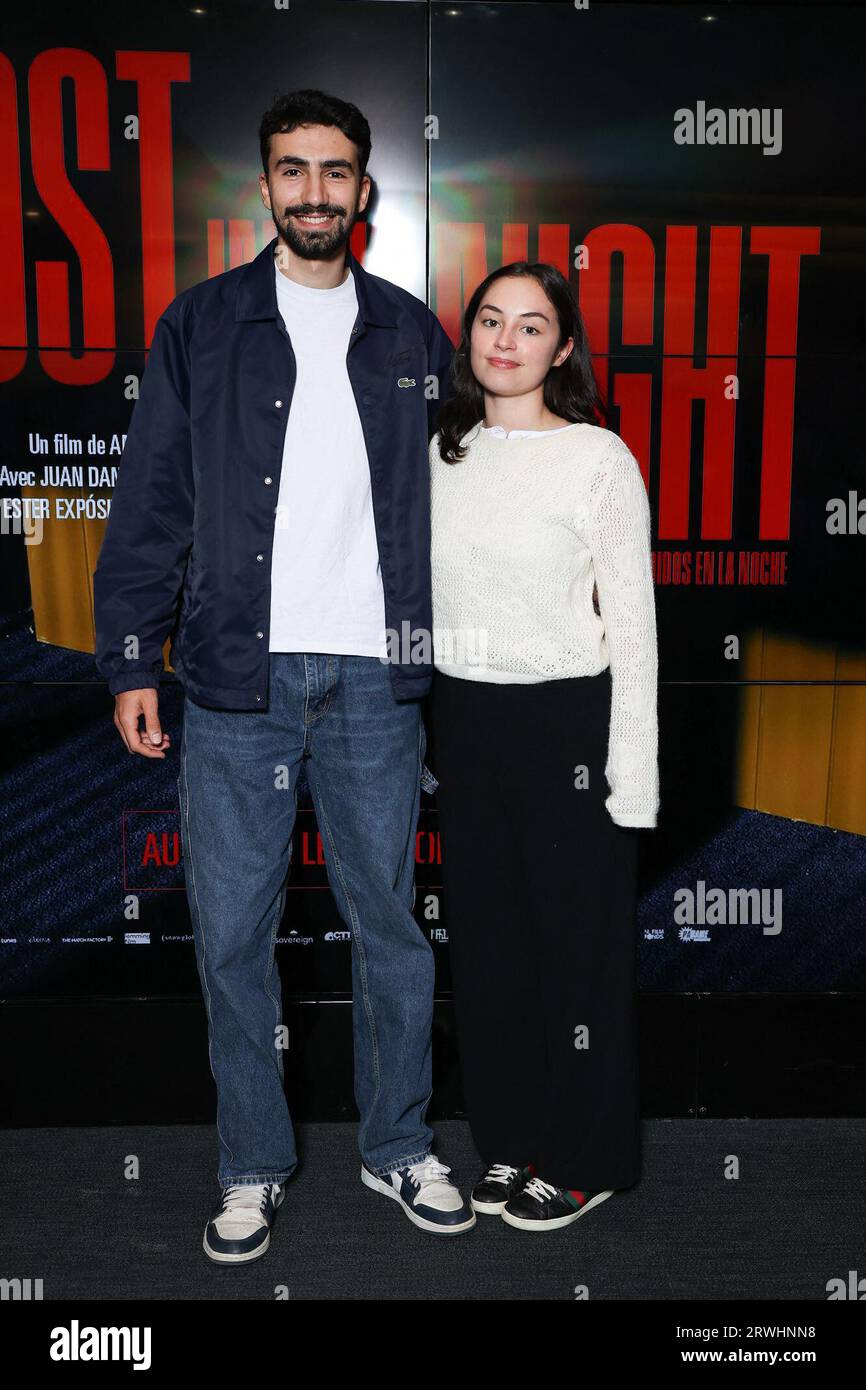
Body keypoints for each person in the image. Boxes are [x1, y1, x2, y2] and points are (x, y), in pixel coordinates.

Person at [94, 89, 475, 1263]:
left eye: (337, 171)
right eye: (293, 170)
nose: (315, 190)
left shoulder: (412, 331)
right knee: (231, 937)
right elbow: (152, 496)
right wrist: (128, 656)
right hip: (230, 677)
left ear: (364, 189)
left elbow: (468, 488)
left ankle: (397, 1143)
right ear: (264, 187)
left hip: (376, 676)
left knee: (391, 932)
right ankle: (251, 1165)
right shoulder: (199, 324)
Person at [427, 261, 659, 1231]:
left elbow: (635, 626)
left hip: (568, 717)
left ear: (561, 348)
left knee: (578, 953)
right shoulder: (440, 454)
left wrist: (631, 778)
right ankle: (512, 1142)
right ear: (468, 335)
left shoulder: (598, 458)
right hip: (463, 720)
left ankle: (587, 1155)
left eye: (531, 326)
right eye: (489, 319)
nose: (505, 340)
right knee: (487, 951)